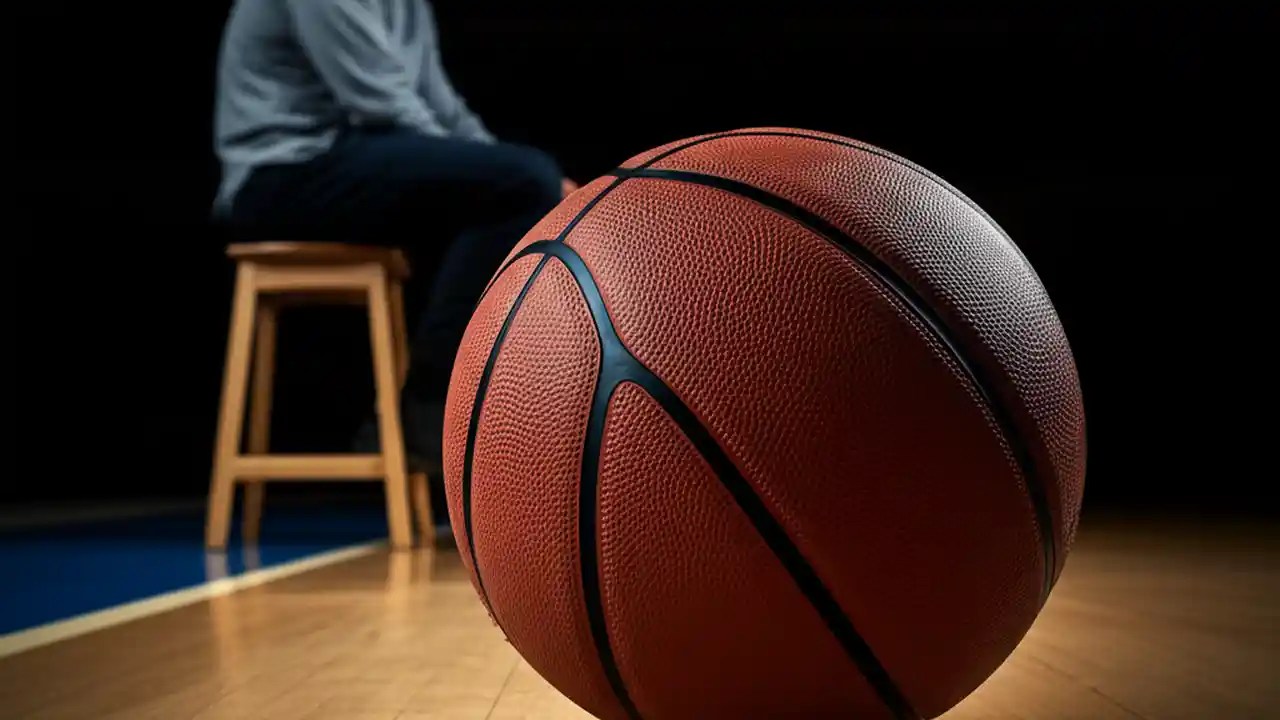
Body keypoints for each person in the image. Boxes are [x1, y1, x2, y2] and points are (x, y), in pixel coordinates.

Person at [212, 0, 575, 527]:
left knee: (521, 189)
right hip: (279, 173)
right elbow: (381, 101)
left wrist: (532, 178)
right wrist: (512, 174)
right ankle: (425, 404)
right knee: (515, 186)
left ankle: (449, 417)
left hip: (345, 153)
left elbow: (441, 105)